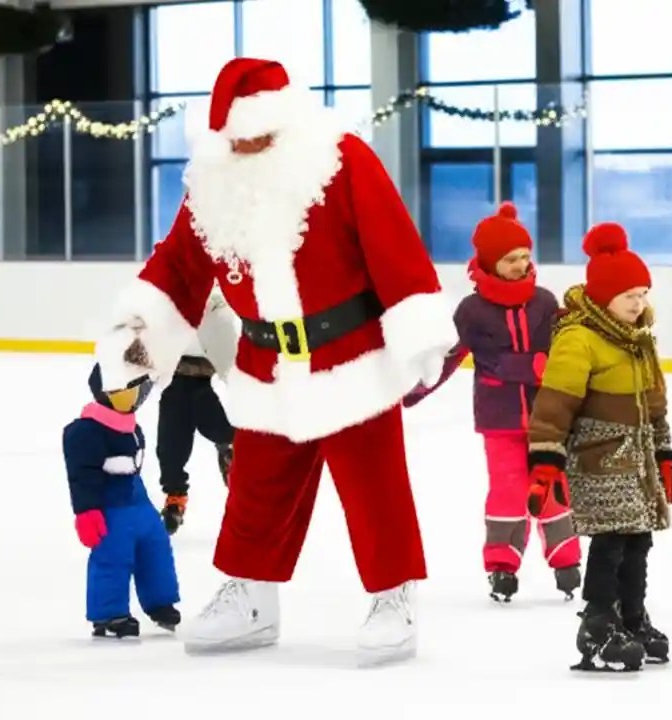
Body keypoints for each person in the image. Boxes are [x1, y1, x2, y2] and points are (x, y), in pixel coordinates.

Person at [91, 57, 457, 666]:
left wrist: (416, 329)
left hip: (351, 356)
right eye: (237, 138)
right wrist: (137, 337)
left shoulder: (339, 159)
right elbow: (179, 265)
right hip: (264, 363)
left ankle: (395, 597)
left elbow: (392, 240)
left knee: (375, 487)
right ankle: (251, 597)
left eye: (258, 135)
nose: (247, 147)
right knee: (258, 487)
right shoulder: (212, 183)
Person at [404, 202, 582, 603]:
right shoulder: (472, 310)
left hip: (547, 418)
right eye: (510, 259)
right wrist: (417, 388)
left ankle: (566, 561)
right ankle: (502, 566)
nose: (521, 265)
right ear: (489, 262)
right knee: (507, 490)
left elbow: (566, 351)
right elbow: (452, 356)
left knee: (552, 486)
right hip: (499, 418)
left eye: (525, 256)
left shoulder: (543, 301)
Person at [525, 223, 672, 672]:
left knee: (639, 542)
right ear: (604, 297)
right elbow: (554, 403)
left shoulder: (639, 340)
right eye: (630, 295)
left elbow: (655, 405)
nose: (639, 303)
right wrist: (547, 458)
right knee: (611, 543)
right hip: (599, 458)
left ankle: (631, 618)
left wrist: (665, 454)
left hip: (638, 462)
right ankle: (597, 625)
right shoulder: (579, 338)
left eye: (643, 293)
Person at [62, 365, 181, 639]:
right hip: (110, 507)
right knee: (113, 557)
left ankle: (160, 601)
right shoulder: (86, 431)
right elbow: (81, 476)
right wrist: (86, 511)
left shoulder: (131, 427)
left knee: (156, 547)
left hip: (138, 501)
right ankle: (109, 613)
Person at [157, 287, 239, 534]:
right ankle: (175, 494)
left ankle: (230, 447)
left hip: (201, 376)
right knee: (170, 443)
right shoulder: (166, 299)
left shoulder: (218, 312)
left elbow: (231, 365)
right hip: (176, 382)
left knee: (208, 418)